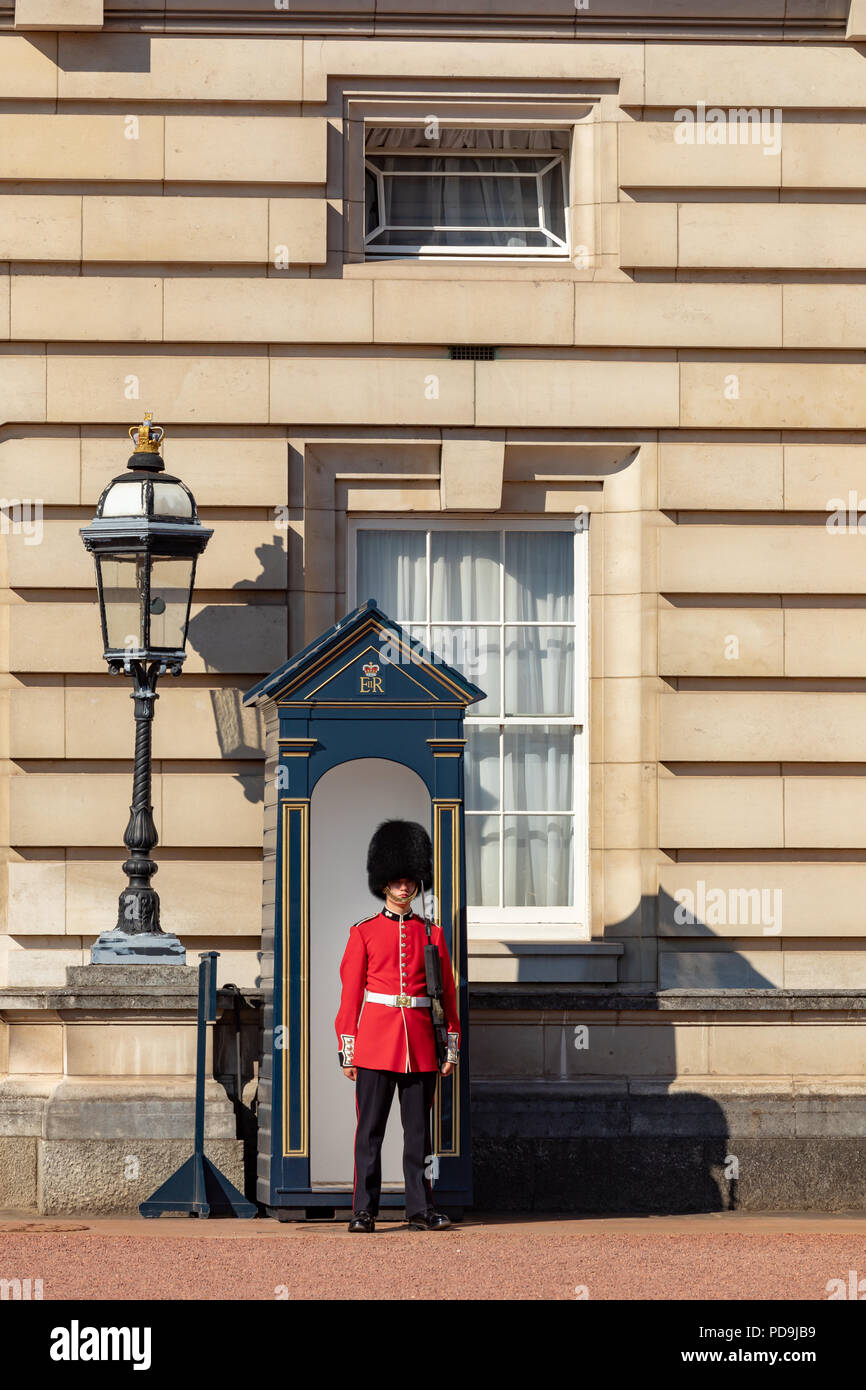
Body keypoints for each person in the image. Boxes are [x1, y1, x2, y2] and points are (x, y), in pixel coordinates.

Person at [334, 818, 460, 1232]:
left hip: (421, 1043)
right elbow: (350, 997)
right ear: (384, 883)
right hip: (374, 1044)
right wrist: (348, 1049)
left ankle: (420, 1209)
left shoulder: (433, 935)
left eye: (410, 881)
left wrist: (451, 1047)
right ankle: (363, 1211)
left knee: (418, 1136)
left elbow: (446, 996)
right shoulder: (363, 933)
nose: (404, 888)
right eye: (397, 881)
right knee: (369, 1133)